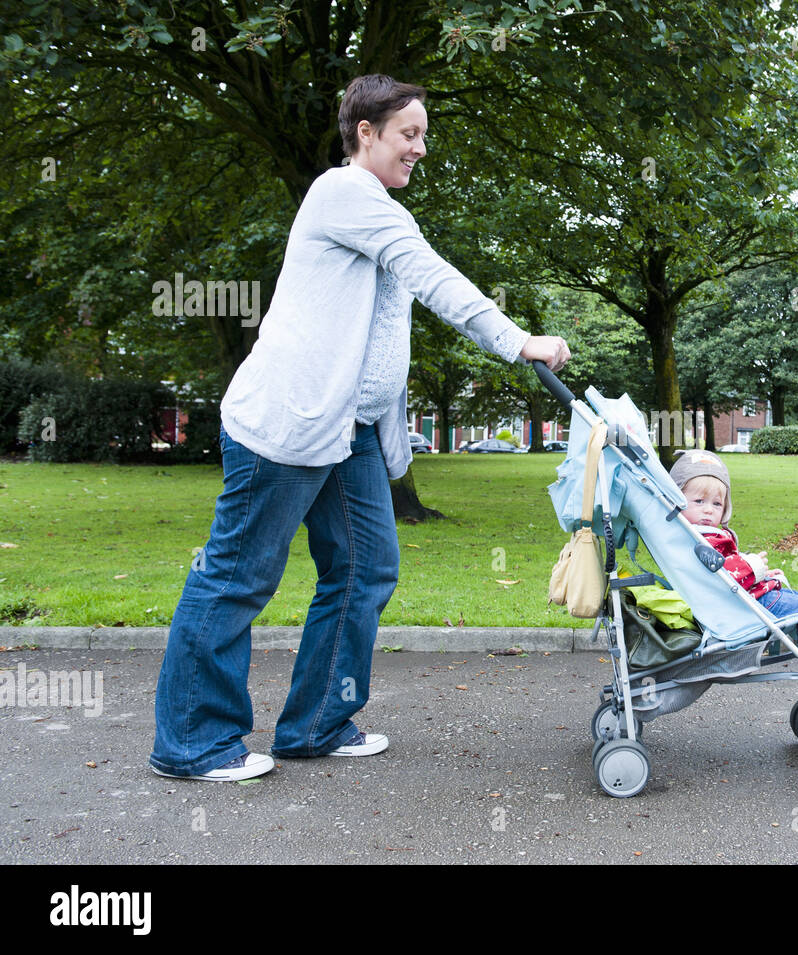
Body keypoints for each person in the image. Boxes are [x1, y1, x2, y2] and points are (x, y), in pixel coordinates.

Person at [150, 74, 570, 781]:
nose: (421, 149)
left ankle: (317, 723)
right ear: (365, 133)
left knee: (364, 567)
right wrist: (516, 338)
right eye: (409, 134)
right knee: (236, 575)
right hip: (289, 424)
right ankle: (190, 742)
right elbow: (430, 275)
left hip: (348, 434)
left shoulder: (376, 207)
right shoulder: (345, 194)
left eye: (425, 135)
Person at [668, 450, 798, 702]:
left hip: (743, 598)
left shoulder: (695, 535)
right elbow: (726, 574)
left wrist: (762, 574)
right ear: (679, 501)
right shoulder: (700, 539)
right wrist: (754, 566)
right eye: (699, 502)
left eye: (717, 504)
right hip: (745, 605)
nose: (708, 511)